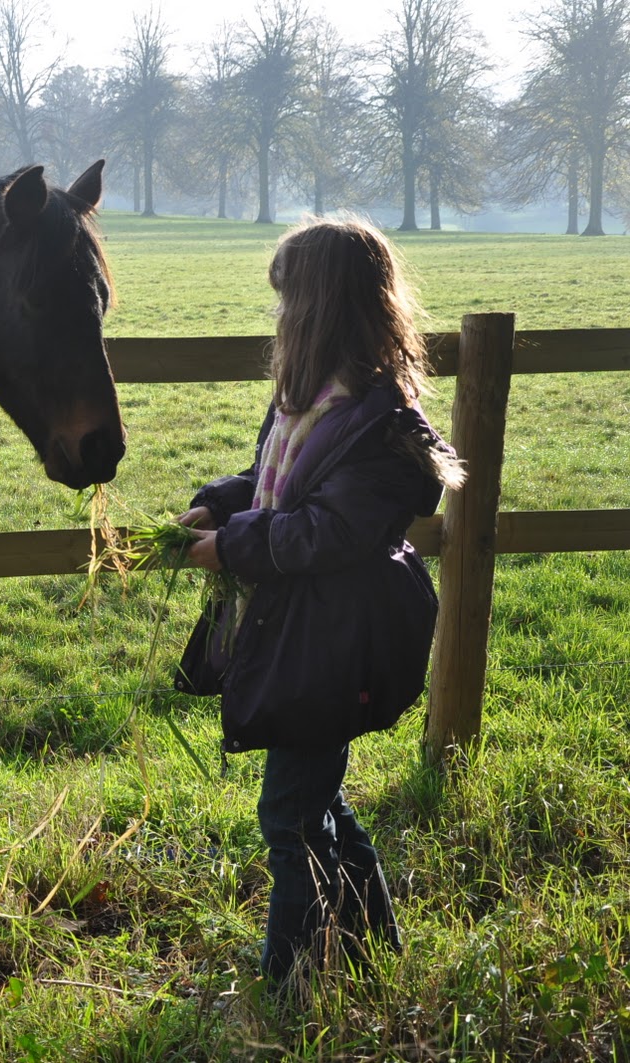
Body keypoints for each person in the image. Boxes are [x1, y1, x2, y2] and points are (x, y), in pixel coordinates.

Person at [171, 214, 465, 988]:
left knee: (292, 817)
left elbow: (329, 529)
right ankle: (372, 948)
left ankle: (290, 981)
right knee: (317, 799)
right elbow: (276, 482)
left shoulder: (381, 423)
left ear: (319, 310)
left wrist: (236, 546)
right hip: (300, 632)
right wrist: (220, 504)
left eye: (286, 304)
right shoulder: (310, 399)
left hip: (334, 643)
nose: (277, 321)